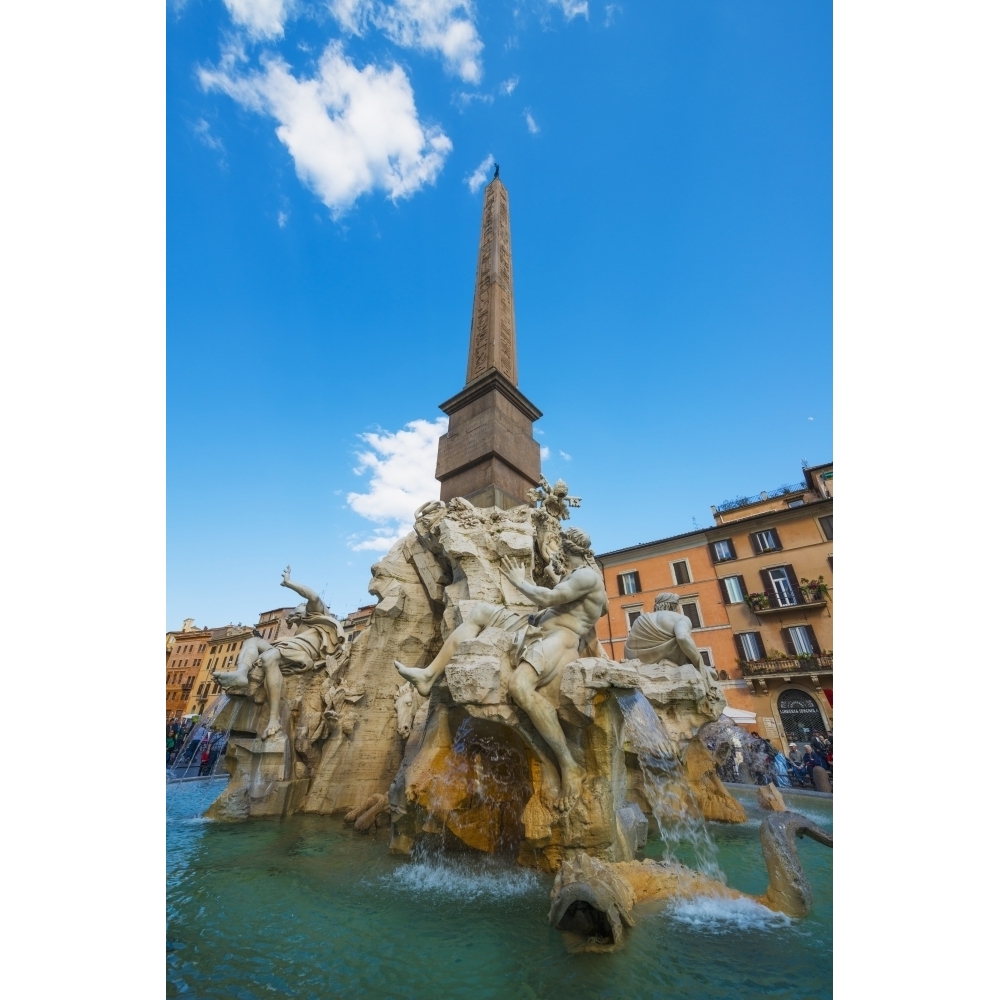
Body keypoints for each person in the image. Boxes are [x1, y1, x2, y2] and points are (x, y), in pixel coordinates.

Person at [395, 527, 608, 811]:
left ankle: (569, 764)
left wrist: (520, 581)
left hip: (561, 639)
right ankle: (428, 674)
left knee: (520, 686)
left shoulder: (587, 576)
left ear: (571, 552)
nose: (559, 558)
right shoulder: (575, 577)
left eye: (562, 554)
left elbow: (548, 599)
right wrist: (560, 579)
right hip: (535, 628)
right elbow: (586, 603)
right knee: (480, 612)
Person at [214, 567, 346, 739]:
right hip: (289, 649)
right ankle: (241, 673)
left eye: (299, 607)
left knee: (269, 656)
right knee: (252, 641)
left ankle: (273, 719)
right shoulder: (298, 631)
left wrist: (289, 583)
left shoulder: (315, 615)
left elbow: (313, 596)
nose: (295, 609)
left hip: (303, 653)